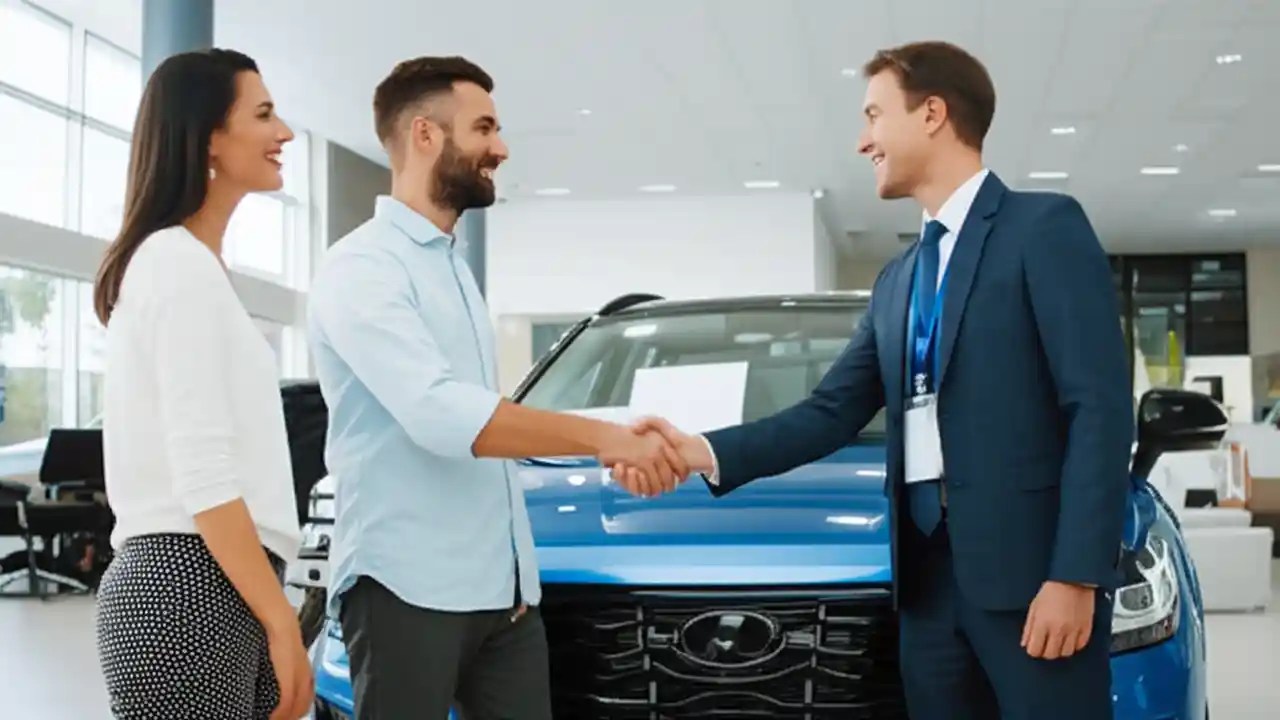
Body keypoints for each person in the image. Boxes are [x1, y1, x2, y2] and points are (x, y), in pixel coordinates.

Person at [624, 41, 1133, 720]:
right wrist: (698, 450)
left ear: (932, 114)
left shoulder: (1041, 229)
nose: (863, 140)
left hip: (1032, 580)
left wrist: (1074, 574)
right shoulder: (898, 282)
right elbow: (829, 413)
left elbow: (1097, 408)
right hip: (925, 587)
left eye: (873, 115)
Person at [306, 55, 685, 720]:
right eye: (485, 128)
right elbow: (440, 413)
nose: (501, 147)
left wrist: (516, 574)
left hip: (502, 601)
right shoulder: (361, 268)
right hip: (407, 591)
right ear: (426, 135)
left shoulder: (453, 268)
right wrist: (603, 437)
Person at [92, 49, 311, 719]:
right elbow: (204, 471)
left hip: (210, 580)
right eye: (264, 113)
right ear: (208, 137)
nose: (286, 134)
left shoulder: (188, 267)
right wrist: (282, 623)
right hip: (189, 585)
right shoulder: (174, 263)